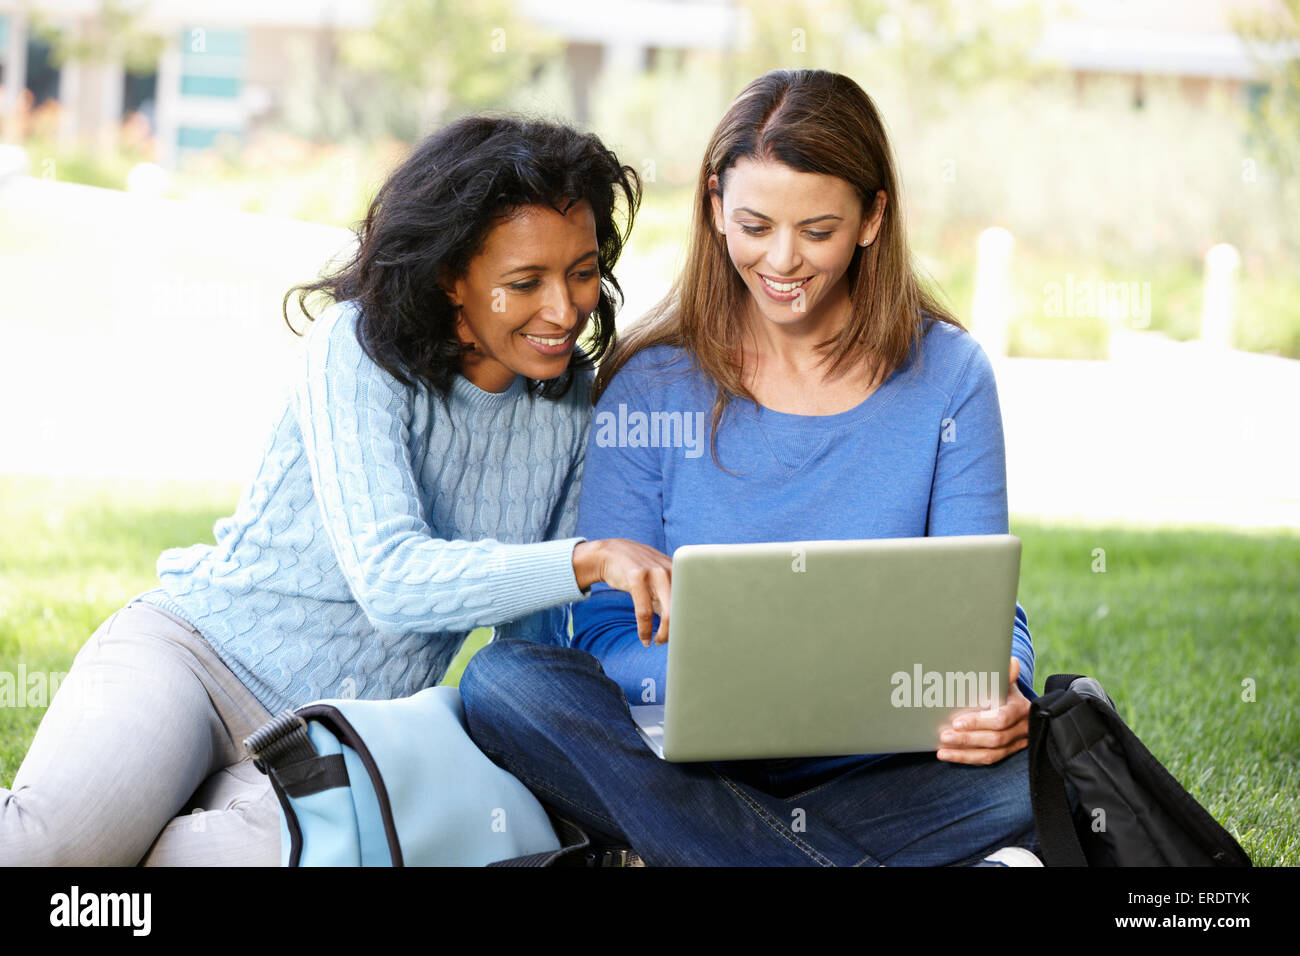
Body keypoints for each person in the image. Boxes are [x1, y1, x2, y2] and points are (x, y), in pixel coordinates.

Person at [0, 115, 667, 865]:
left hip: (336, 735)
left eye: (582, 272)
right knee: (46, 850)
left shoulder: (572, 404)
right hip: (197, 661)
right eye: (525, 283)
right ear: (451, 277)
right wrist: (586, 559)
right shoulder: (358, 347)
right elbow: (390, 578)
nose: (565, 310)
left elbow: (527, 643)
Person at [460, 69, 1042, 866]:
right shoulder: (651, 382)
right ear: (713, 206)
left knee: (1038, 771)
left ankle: (711, 847)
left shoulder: (950, 376)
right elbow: (604, 633)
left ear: (872, 218)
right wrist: (746, 681)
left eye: (818, 230)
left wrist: (1006, 687)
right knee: (505, 685)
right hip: (692, 758)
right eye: (755, 226)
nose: (783, 260)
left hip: (885, 765)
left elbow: (980, 605)